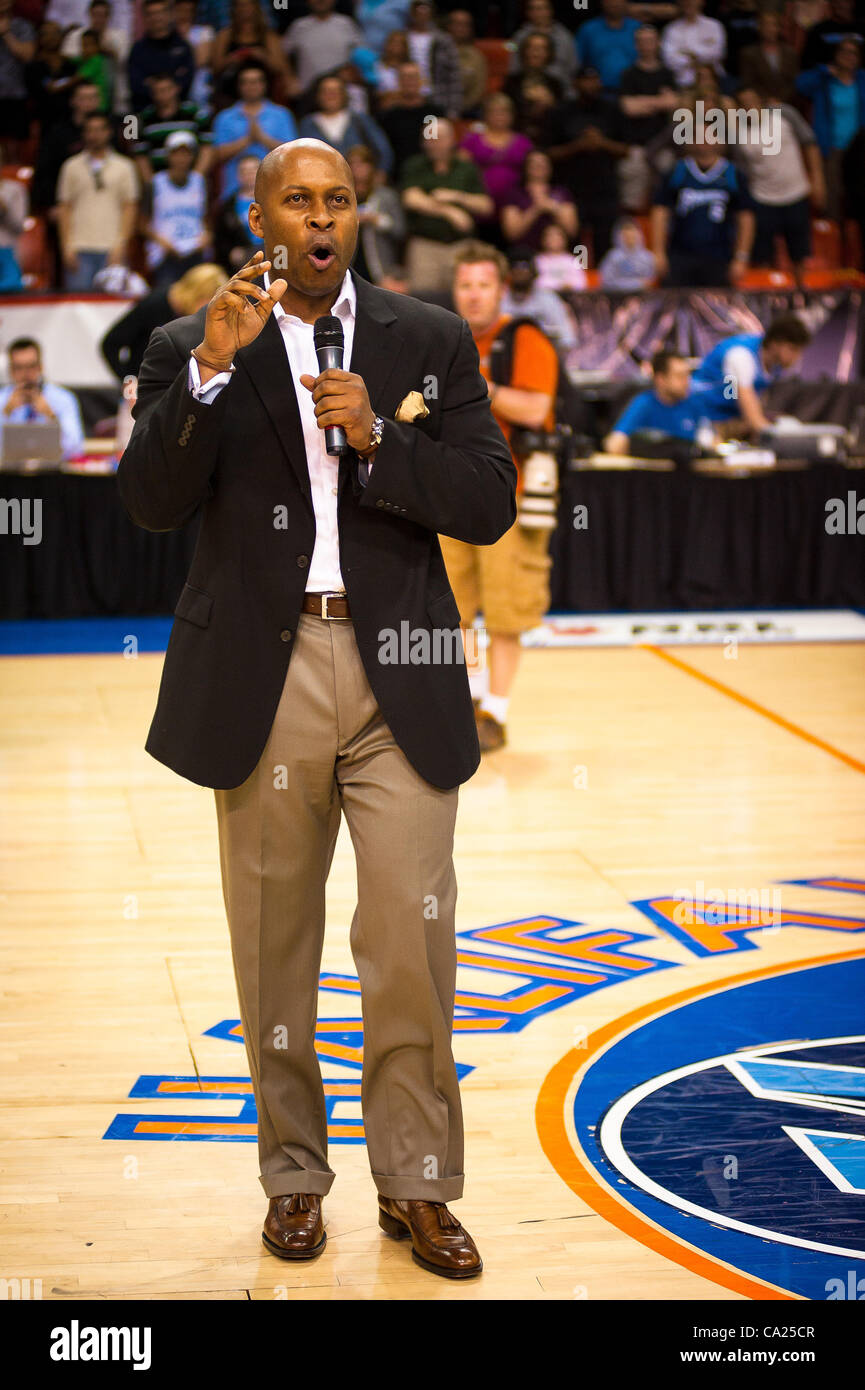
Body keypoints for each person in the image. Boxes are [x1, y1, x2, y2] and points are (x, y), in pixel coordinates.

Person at [116, 136, 516, 1278]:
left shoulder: (426, 338)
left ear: (359, 213)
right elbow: (148, 504)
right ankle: (293, 1177)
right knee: (274, 949)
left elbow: (487, 500)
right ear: (259, 214)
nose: (320, 216)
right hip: (264, 671)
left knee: (410, 939)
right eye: (298, 199)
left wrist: (380, 437)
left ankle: (418, 1186)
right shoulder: (192, 341)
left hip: (400, 668)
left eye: (338, 197)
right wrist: (202, 380)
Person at [442, 240, 558, 752]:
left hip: (511, 493)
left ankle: (498, 711)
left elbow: (535, 409)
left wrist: (478, 386)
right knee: (451, 609)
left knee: (508, 610)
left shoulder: (524, 338)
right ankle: (466, 704)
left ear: (501, 288)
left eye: (483, 284)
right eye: (465, 284)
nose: (473, 294)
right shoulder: (442, 338)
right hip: (450, 492)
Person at [733, 85, 825, 290]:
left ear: (761, 102)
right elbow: (741, 170)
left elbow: (809, 143)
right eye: (743, 105)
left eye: (752, 102)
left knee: (799, 255)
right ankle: (768, 296)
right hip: (762, 199)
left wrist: (817, 179)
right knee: (763, 256)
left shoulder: (785, 115)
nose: (749, 108)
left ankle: (802, 293)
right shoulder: (737, 133)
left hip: (796, 194)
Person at [546, 65, 629, 263]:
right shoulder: (562, 111)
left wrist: (602, 144)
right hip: (572, 188)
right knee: (577, 242)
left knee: (605, 240)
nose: (590, 84)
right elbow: (549, 152)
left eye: (594, 80)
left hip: (605, 187)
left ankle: (603, 282)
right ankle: (579, 278)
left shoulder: (612, 109)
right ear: (575, 83)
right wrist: (578, 146)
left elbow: (626, 149)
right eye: (585, 80)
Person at [400, 116, 493, 292]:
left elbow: (486, 205)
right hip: (425, 246)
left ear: (452, 139)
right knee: (422, 299)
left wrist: (457, 197)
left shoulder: (466, 168)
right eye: (429, 138)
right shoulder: (415, 165)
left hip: (460, 246)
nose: (433, 143)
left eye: (438, 138)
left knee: (462, 297)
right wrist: (449, 212)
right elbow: (411, 198)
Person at [650, 136, 755, 288]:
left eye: (710, 136)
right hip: (679, 255)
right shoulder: (676, 172)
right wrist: (658, 251)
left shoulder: (734, 174)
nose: (704, 141)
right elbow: (660, 211)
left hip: (720, 257)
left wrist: (741, 257)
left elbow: (746, 218)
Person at [55, 109, 139, 289]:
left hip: (112, 248)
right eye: (90, 130)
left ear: (109, 132)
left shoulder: (125, 166)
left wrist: (121, 245)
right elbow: (64, 208)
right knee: (77, 308)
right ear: (84, 134)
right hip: (79, 248)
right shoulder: (70, 166)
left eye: (100, 129)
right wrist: (66, 246)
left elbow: (130, 208)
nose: (95, 135)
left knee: (115, 311)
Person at [689, 312, 811, 436]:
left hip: (726, 416)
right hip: (702, 420)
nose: (797, 357)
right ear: (775, 344)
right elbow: (753, 419)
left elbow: (755, 406)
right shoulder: (741, 356)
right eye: (793, 349)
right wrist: (785, 440)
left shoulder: (773, 364)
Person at [101, 261, 225, 378]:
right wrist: (128, 381)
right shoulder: (154, 305)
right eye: (208, 301)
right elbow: (111, 343)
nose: (209, 310)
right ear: (196, 295)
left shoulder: (193, 314)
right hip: (146, 387)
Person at [796, 36, 865, 220]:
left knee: (858, 197)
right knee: (832, 199)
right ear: (836, 54)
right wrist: (823, 72)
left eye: (853, 53)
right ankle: (834, 242)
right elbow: (800, 85)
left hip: (859, 151)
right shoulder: (825, 81)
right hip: (832, 148)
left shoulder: (862, 80)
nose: (848, 56)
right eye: (843, 51)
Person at [211, 60, 297, 196]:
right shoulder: (225, 117)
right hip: (234, 193)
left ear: (264, 85)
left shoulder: (281, 114)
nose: (252, 86)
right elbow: (217, 155)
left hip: (275, 192)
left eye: (256, 81)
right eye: (246, 82)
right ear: (239, 86)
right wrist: (246, 140)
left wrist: (262, 138)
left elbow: (292, 153)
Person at [617, 23, 678, 211]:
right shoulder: (629, 75)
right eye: (641, 42)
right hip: (636, 144)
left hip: (664, 145)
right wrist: (659, 101)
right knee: (631, 175)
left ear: (658, 43)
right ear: (636, 45)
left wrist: (642, 102)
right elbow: (629, 108)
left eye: (650, 41)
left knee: (670, 174)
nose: (646, 45)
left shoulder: (667, 74)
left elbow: (673, 104)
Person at [142, 129, 210, 288]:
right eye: (176, 154)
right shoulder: (155, 183)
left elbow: (206, 218)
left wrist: (207, 236)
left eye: (185, 154)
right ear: (168, 156)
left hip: (194, 250)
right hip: (166, 253)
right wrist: (161, 241)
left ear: (192, 157)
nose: (181, 159)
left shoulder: (200, 182)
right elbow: (142, 223)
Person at [0, 336, 84, 459]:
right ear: (11, 371)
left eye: (31, 366)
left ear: (41, 367)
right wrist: (5, 413)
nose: (25, 374)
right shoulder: (2, 400)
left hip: (52, 474)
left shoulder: (63, 399)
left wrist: (51, 416)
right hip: (8, 474)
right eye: (19, 368)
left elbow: (76, 448)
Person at [604, 349, 698, 452]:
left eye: (688, 375)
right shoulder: (645, 404)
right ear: (661, 379)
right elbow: (613, 444)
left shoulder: (693, 403)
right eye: (680, 376)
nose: (687, 382)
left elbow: (710, 441)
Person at [299, 73, 393, 173]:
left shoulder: (360, 120)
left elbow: (383, 150)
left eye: (335, 91)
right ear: (318, 95)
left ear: (344, 94)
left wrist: (381, 174)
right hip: (319, 182)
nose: (331, 95)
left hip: (357, 183)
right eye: (326, 91)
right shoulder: (308, 123)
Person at [459, 93, 534, 220]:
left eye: (504, 112)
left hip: (514, 208)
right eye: (494, 112)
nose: (499, 116)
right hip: (479, 204)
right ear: (486, 115)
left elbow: (532, 174)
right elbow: (460, 170)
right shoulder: (472, 140)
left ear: (512, 115)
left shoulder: (523, 142)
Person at [133, 70, 212, 183]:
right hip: (159, 183)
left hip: (191, 180)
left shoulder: (196, 114)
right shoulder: (142, 119)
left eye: (166, 90)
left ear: (176, 89)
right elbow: (141, 156)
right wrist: (153, 184)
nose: (162, 95)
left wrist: (196, 178)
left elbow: (207, 148)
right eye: (157, 91)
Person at [500, 242, 577, 352]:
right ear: (508, 272)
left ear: (534, 271)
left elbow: (568, 339)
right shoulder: (499, 299)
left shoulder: (549, 300)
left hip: (543, 356)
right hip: (504, 358)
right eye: (515, 266)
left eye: (525, 266)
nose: (520, 271)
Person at [281, 0, 363, 101]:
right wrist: (289, 78)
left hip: (341, 93)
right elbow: (281, 54)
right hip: (308, 93)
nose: (320, 1)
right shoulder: (298, 26)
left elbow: (362, 54)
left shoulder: (346, 24)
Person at [347, 141, 405, 284]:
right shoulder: (342, 198)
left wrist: (377, 220)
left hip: (380, 269)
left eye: (361, 164)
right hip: (348, 270)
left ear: (371, 167)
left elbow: (400, 230)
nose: (357, 169)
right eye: (352, 164)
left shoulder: (386, 196)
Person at [501, 148, 578, 252]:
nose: (539, 166)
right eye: (534, 163)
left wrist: (552, 208)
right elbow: (511, 233)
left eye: (543, 163)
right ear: (526, 167)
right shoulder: (515, 194)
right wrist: (536, 209)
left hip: (558, 254)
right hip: (524, 253)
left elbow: (572, 230)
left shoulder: (562, 193)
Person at [127, 0, 194, 111]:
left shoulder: (183, 46)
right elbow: (136, 84)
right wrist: (166, 89)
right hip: (145, 110)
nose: (156, 18)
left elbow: (186, 79)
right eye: (150, 14)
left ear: (169, 15)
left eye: (159, 13)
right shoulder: (137, 50)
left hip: (180, 110)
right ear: (145, 18)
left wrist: (153, 83)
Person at [377, 60, 437, 174]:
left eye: (413, 77)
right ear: (398, 82)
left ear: (422, 81)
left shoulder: (433, 113)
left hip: (428, 172)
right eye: (405, 77)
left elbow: (435, 144)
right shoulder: (387, 116)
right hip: (396, 174)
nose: (409, 81)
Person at [404, 0, 462, 119]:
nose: (422, 14)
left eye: (425, 10)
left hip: (436, 98)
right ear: (412, 13)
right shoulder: (403, 38)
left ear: (432, 13)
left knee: (431, 134)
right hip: (407, 98)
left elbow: (454, 76)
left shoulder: (444, 40)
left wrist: (454, 108)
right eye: (418, 10)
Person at [508, 0, 577, 92]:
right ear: (528, 13)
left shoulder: (565, 36)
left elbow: (573, 68)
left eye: (541, 8)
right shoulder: (518, 37)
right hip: (527, 88)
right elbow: (513, 67)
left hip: (561, 89)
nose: (537, 13)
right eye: (533, 9)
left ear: (550, 11)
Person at [575, 0, 641, 92]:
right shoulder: (588, 29)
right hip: (598, 93)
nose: (614, 3)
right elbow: (578, 62)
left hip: (635, 91)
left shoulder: (638, 28)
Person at [212, 150, 262, 270]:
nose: (249, 175)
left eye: (253, 170)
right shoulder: (227, 207)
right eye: (245, 171)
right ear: (238, 176)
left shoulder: (274, 201)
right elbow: (219, 239)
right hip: (243, 258)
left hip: (272, 253)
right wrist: (230, 252)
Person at [738, 10, 800, 106]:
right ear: (759, 27)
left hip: (787, 103)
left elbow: (794, 82)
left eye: (774, 25)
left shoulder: (790, 53)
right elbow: (749, 83)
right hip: (759, 103)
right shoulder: (749, 53)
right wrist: (767, 100)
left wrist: (780, 100)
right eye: (766, 25)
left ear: (779, 28)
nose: (770, 29)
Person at [660, 0, 726, 89]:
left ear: (702, 2)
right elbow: (670, 60)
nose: (688, 2)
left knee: (707, 101)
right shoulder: (671, 29)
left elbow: (716, 54)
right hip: (683, 84)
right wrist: (700, 55)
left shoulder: (714, 26)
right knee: (695, 102)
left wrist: (686, 53)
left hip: (711, 84)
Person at [0, 0, 35, 152]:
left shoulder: (22, 26)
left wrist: (6, 33)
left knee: (16, 146)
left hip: (14, 94)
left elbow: (27, 55)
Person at [445, 9, 487, 116]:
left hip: (467, 110)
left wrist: (459, 109)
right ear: (448, 26)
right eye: (457, 24)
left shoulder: (476, 57)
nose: (460, 28)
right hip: (438, 108)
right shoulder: (438, 51)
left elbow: (478, 90)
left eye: (465, 25)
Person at [599, 215, 656, 289]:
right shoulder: (612, 257)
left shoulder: (648, 257)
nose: (630, 238)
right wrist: (636, 284)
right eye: (626, 235)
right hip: (617, 296)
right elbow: (606, 281)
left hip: (642, 296)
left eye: (632, 235)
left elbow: (650, 281)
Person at [534, 220, 587, 292]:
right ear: (543, 240)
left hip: (569, 296)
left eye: (558, 235)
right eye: (550, 236)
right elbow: (536, 284)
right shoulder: (537, 261)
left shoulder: (572, 260)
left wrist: (567, 287)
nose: (554, 239)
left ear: (565, 239)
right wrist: (558, 286)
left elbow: (581, 283)